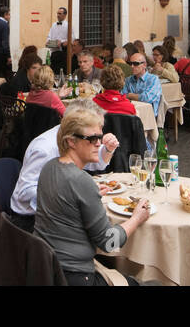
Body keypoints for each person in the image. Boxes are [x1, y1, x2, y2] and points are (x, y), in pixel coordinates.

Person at [35, 107, 152, 285]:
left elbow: (66, 202)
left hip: (46, 266)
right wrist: (137, 218)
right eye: (92, 139)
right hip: (75, 275)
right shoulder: (81, 181)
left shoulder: (49, 167)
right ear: (71, 142)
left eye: (100, 137)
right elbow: (109, 243)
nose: (99, 143)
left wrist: (90, 193)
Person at [9, 100, 118, 232]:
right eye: (97, 126)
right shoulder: (45, 148)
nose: (100, 134)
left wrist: (109, 149)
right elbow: (25, 193)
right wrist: (73, 198)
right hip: (31, 221)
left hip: (53, 213)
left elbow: (96, 162)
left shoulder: (75, 139)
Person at [121, 49, 162, 117]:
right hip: (130, 114)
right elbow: (122, 96)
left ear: (144, 65)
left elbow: (147, 98)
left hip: (148, 116)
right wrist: (136, 96)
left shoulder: (153, 79)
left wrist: (130, 95)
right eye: (130, 63)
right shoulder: (128, 79)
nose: (132, 66)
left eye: (136, 64)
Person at [46, 7, 69, 73]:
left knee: (61, 72)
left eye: (60, 13)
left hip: (63, 54)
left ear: (65, 15)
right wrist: (49, 42)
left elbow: (71, 40)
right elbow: (49, 38)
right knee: (52, 72)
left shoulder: (68, 26)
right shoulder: (53, 25)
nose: (58, 15)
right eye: (57, 13)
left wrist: (61, 43)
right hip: (53, 53)